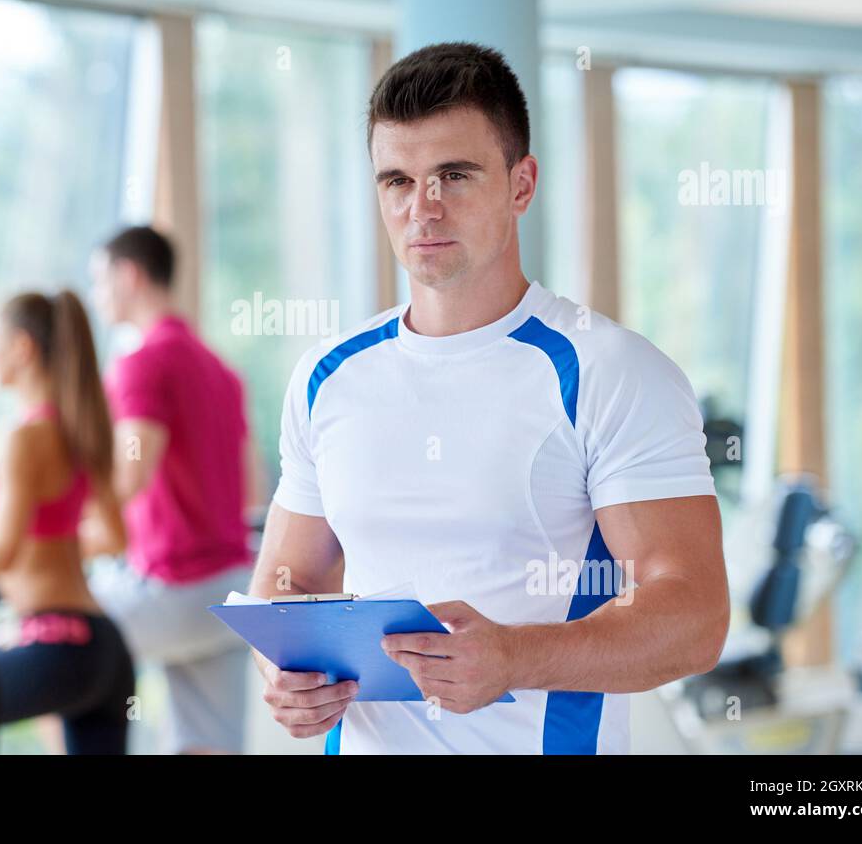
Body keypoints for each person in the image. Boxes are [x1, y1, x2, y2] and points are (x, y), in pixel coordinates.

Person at [253, 41, 730, 754]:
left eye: (454, 174)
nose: (423, 208)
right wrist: (285, 673)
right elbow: (288, 583)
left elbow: (695, 616)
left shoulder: (608, 371)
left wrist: (515, 657)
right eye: (397, 181)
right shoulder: (328, 375)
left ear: (521, 184)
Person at [87, 226, 260, 754]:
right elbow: (252, 486)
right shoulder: (219, 370)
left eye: (99, 281)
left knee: (57, 633)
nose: (96, 296)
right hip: (233, 589)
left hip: (176, 585)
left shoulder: (142, 363)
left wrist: (69, 539)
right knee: (207, 745)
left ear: (129, 275)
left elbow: (131, 474)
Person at [0, 290, 134, 754]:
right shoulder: (80, 430)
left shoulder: (24, 438)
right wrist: (50, 545)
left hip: (58, 642)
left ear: (23, 348)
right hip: (104, 649)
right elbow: (114, 536)